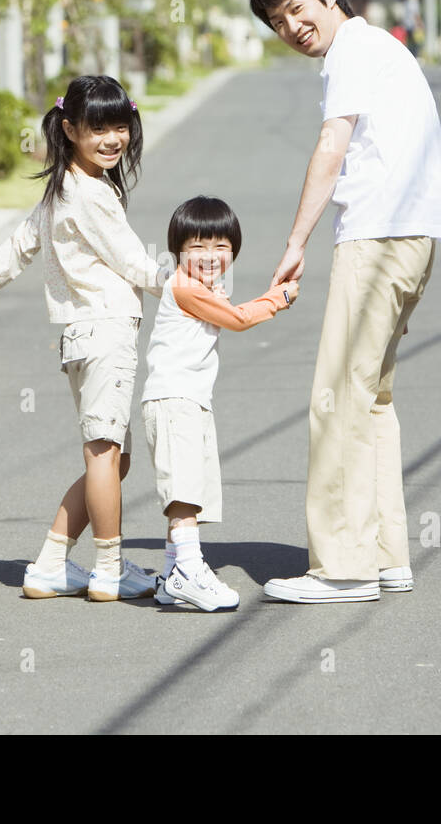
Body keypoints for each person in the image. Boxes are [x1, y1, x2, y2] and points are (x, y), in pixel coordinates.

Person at [248, 0, 441, 604]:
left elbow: (332, 146)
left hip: (377, 236)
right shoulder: (382, 50)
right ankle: (386, 554)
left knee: (337, 397)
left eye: (298, 9)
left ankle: (342, 565)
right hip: (414, 238)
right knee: (371, 399)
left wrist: (294, 242)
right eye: (279, 21)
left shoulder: (353, 55)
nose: (293, 27)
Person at [0, 75, 162, 602]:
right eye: (98, 129)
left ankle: (49, 563)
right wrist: (196, 288)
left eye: (120, 127)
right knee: (106, 455)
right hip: (107, 333)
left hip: (79, 339)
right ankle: (109, 568)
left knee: (112, 457)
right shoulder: (89, 193)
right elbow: (133, 261)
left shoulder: (61, 189)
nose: (113, 139)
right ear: (69, 130)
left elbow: (19, 247)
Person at [142, 196, 299, 611]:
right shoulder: (186, 287)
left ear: (234, 250)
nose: (209, 257)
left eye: (220, 247)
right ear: (177, 251)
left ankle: (174, 574)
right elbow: (240, 320)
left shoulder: (204, 286)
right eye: (196, 247)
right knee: (185, 491)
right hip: (175, 398)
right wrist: (278, 298)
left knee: (190, 484)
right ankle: (191, 571)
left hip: (188, 399)